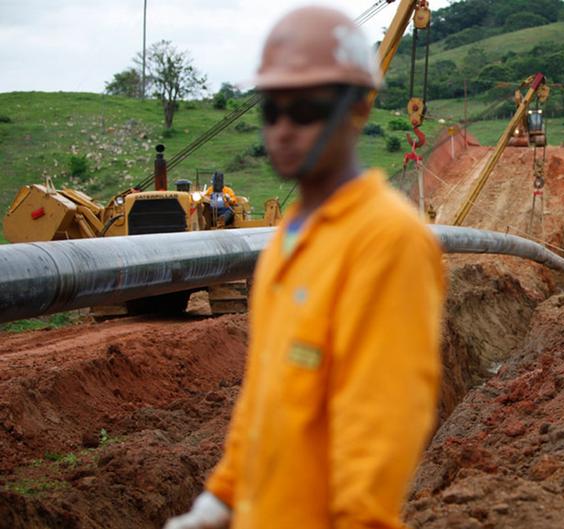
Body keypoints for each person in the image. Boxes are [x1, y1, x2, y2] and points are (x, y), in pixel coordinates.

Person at [164, 7, 445, 529]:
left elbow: (380, 427)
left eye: (307, 110)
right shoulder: (287, 241)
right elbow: (264, 396)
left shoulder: (388, 240)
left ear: (357, 107)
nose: (284, 129)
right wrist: (221, 498)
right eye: (273, 111)